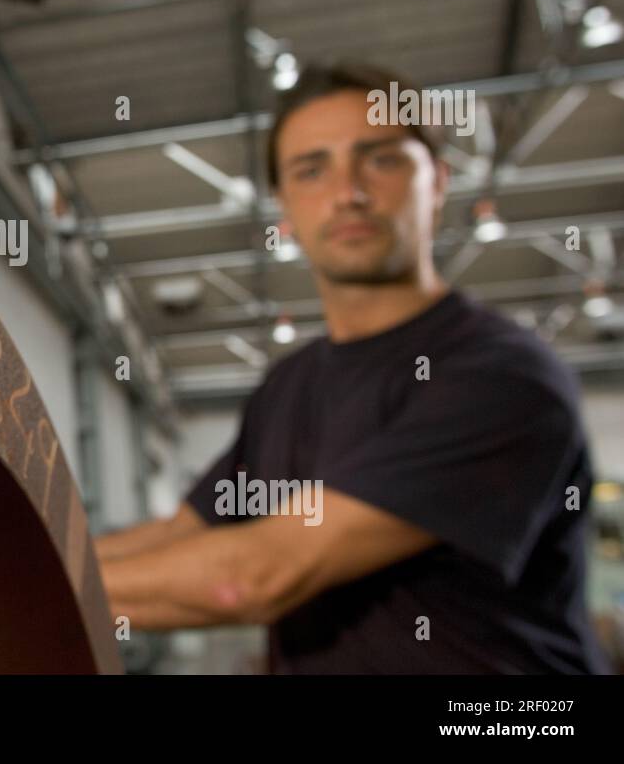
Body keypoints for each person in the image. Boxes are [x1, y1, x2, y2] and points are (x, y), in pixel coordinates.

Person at [98, 62, 610, 673]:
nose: (348, 192)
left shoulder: (502, 374)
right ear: (284, 208)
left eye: (382, 159)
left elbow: (255, 576)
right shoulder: (287, 387)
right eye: (311, 169)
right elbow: (183, 534)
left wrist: (27, 577)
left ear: (439, 182)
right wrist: (11, 550)